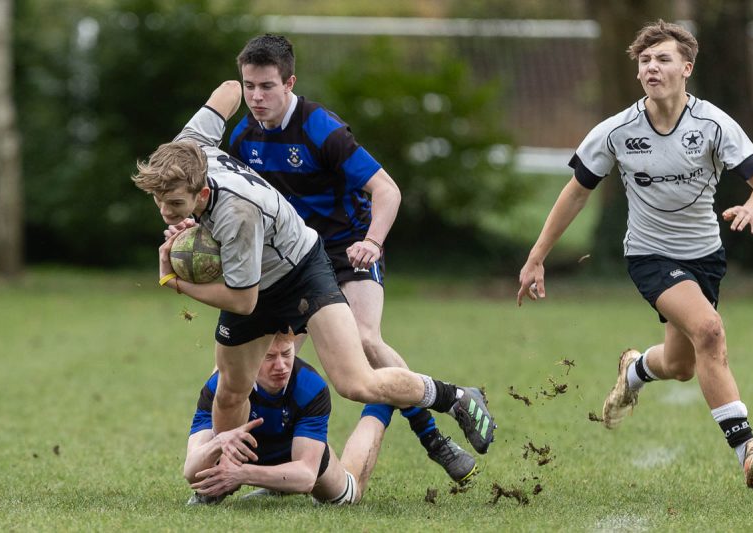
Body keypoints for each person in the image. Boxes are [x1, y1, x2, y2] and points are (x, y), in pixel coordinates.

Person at [131, 80, 495, 470]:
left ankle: (455, 396)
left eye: (175, 204)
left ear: (202, 195)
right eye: (159, 201)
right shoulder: (190, 149)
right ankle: (229, 474)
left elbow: (244, 300)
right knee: (230, 390)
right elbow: (228, 89)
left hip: (302, 271)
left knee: (355, 382)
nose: (166, 211)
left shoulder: (238, 214)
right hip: (261, 274)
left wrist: (176, 281)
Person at [516, 19, 753, 488]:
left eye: (662, 59)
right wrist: (537, 256)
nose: (651, 67)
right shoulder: (617, 131)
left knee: (682, 365)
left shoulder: (714, 124)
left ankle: (634, 369)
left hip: (705, 256)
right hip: (650, 255)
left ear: (687, 67)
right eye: (644, 61)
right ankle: (748, 450)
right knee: (710, 330)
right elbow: (576, 193)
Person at [225, 34, 476, 483]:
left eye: (266, 87)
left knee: (363, 340)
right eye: (249, 87)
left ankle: (434, 436)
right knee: (269, 357)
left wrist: (373, 242)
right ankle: (258, 466)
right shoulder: (243, 136)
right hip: (292, 259)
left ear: (290, 82)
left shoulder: (321, 128)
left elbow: (387, 189)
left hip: (347, 248)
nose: (256, 97)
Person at [184, 332, 393, 505]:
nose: (281, 366)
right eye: (269, 357)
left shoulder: (310, 387)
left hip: (300, 450)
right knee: (206, 473)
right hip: (247, 453)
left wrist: (241, 474)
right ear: (250, 357)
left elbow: (306, 476)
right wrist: (219, 442)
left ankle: (381, 406)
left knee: (348, 496)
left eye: (286, 354)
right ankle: (275, 484)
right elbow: (191, 470)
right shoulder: (220, 389)